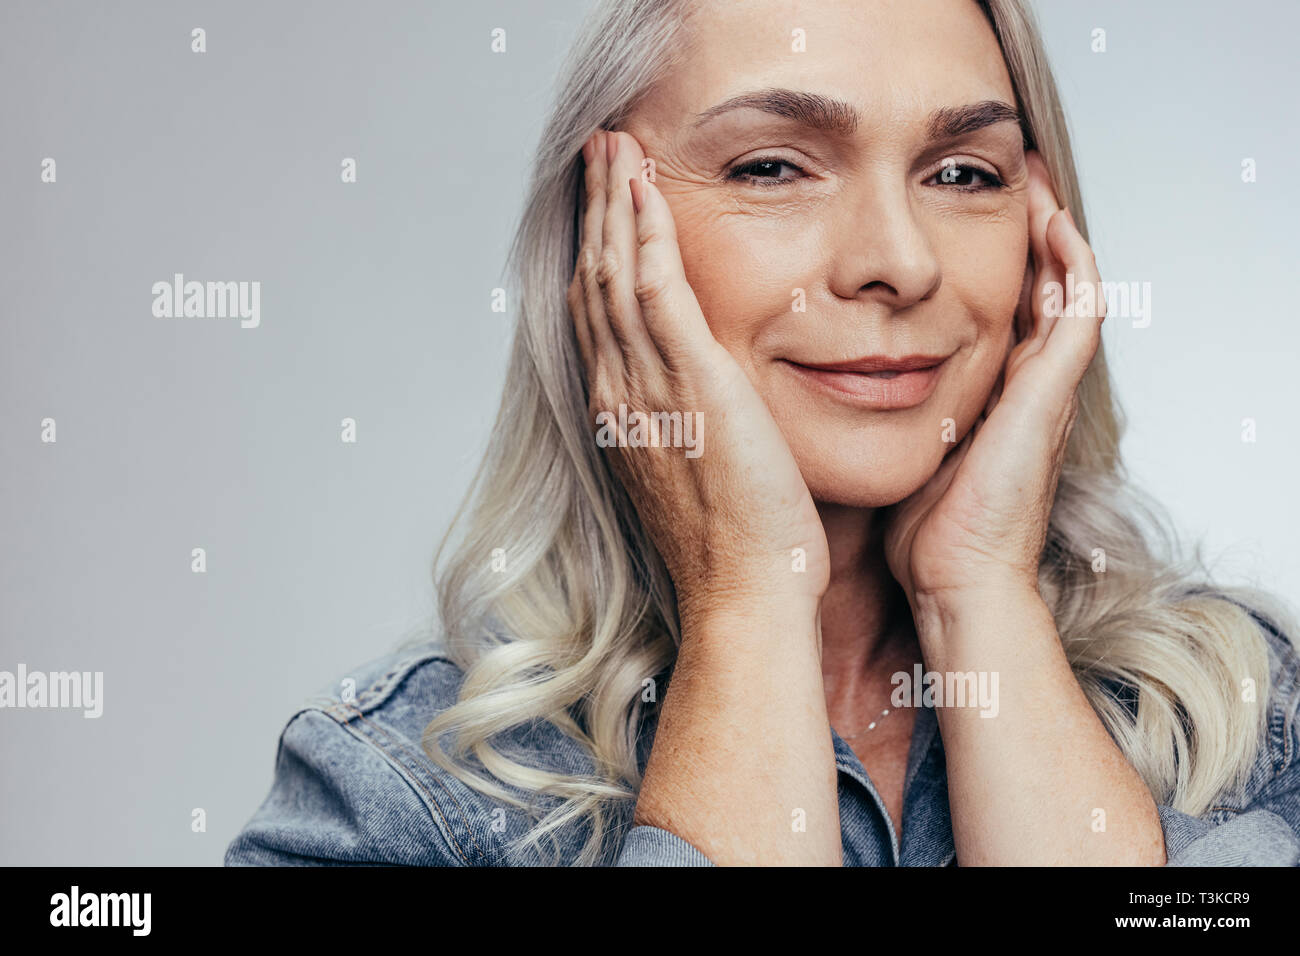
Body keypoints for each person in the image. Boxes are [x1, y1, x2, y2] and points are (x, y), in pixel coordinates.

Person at [226, 0, 1300, 866]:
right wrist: (744, 593)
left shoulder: (1232, 714)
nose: (901, 260)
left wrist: (975, 586)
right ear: (602, 242)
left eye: (962, 173)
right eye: (772, 167)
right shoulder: (405, 792)